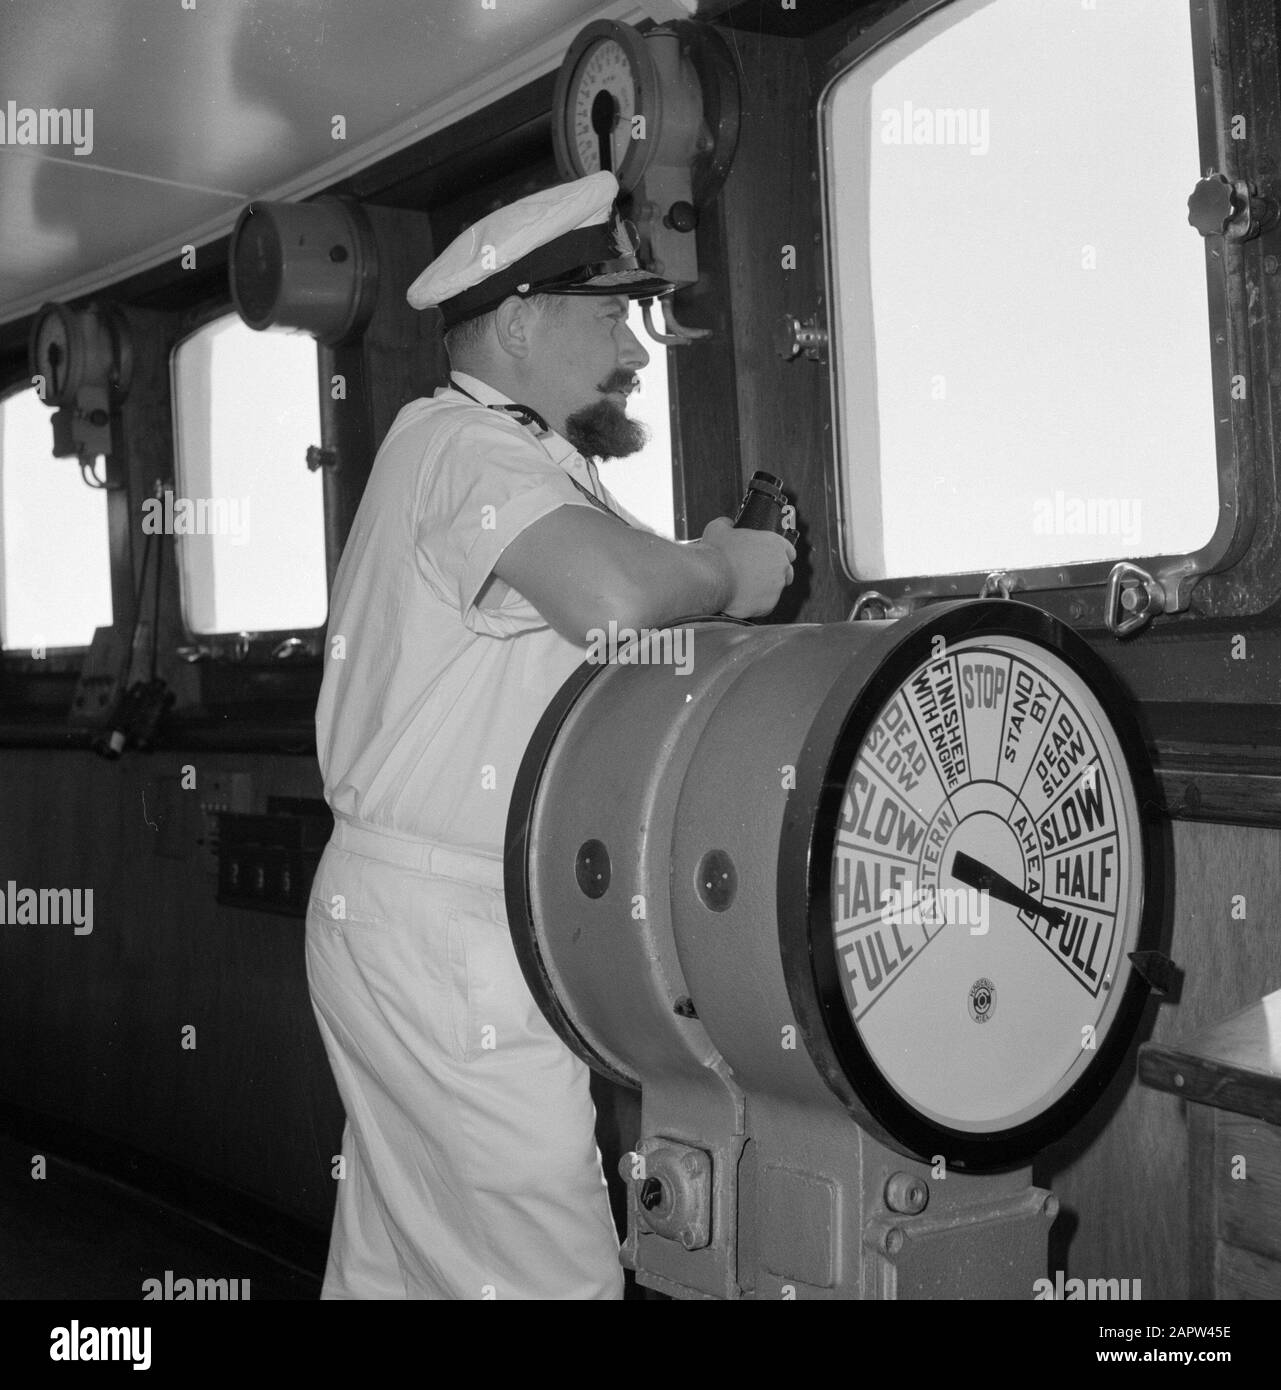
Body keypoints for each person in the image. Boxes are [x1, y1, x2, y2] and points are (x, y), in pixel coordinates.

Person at [304, 170, 794, 1299]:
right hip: (445, 933)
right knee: (549, 1272)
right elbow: (616, 600)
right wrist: (731, 569)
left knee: (404, 1267)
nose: (630, 343)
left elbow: (615, 625)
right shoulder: (464, 451)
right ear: (519, 320)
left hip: (437, 920)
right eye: (607, 311)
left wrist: (710, 568)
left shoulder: (512, 451)